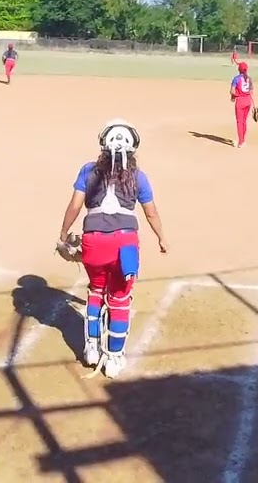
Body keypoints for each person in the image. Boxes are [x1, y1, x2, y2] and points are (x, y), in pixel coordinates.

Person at [57, 119, 166, 379]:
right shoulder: (139, 177)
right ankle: (114, 357)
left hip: (93, 240)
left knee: (96, 290)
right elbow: (151, 213)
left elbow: (75, 206)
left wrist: (63, 233)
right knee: (119, 298)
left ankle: (91, 349)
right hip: (125, 244)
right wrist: (162, 238)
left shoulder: (88, 170)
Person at [230, 61, 256, 148]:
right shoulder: (250, 79)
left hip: (240, 102)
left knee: (239, 122)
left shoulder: (236, 78)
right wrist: (254, 104)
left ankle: (241, 142)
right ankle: (243, 140)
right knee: (244, 121)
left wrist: (233, 97)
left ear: (239, 69)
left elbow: (232, 91)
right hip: (248, 101)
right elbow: (251, 92)